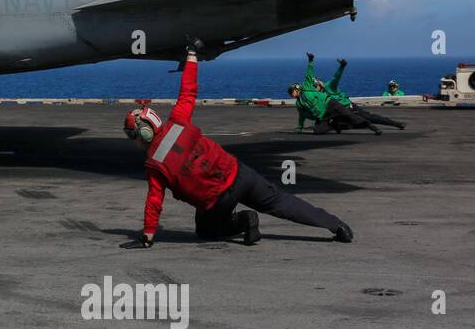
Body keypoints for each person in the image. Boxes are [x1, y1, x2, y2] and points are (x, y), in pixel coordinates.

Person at [128, 39, 353, 247]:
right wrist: (192, 55)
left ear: (143, 133)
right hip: (240, 174)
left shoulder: (155, 163)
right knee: (283, 202)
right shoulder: (178, 121)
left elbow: (155, 200)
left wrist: (148, 236)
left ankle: (244, 220)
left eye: (132, 135)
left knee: (205, 231)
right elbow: (188, 90)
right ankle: (337, 225)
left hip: (219, 201)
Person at [292, 54, 382, 134]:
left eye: (316, 85)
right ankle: (334, 125)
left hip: (332, 105)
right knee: (317, 130)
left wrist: (311, 61)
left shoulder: (315, 89)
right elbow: (302, 115)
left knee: (351, 117)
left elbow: (335, 77)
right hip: (324, 115)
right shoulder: (300, 103)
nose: (315, 87)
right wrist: (299, 128)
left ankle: (372, 127)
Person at [313, 56, 405, 130]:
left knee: (371, 118)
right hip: (338, 114)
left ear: (320, 84)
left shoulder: (329, 86)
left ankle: (396, 124)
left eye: (315, 86)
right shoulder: (318, 96)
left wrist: (342, 67)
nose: (314, 89)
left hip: (349, 108)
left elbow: (335, 78)